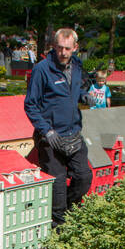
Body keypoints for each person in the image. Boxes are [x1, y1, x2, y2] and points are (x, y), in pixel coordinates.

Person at [24, 27, 92, 229]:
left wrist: (83, 95)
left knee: (83, 177)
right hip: (50, 138)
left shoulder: (77, 66)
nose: (63, 53)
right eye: (60, 48)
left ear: (75, 48)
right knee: (58, 185)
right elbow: (30, 105)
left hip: (73, 133)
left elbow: (75, 89)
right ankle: (59, 226)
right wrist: (47, 130)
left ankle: (70, 209)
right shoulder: (42, 70)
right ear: (53, 46)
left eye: (67, 49)